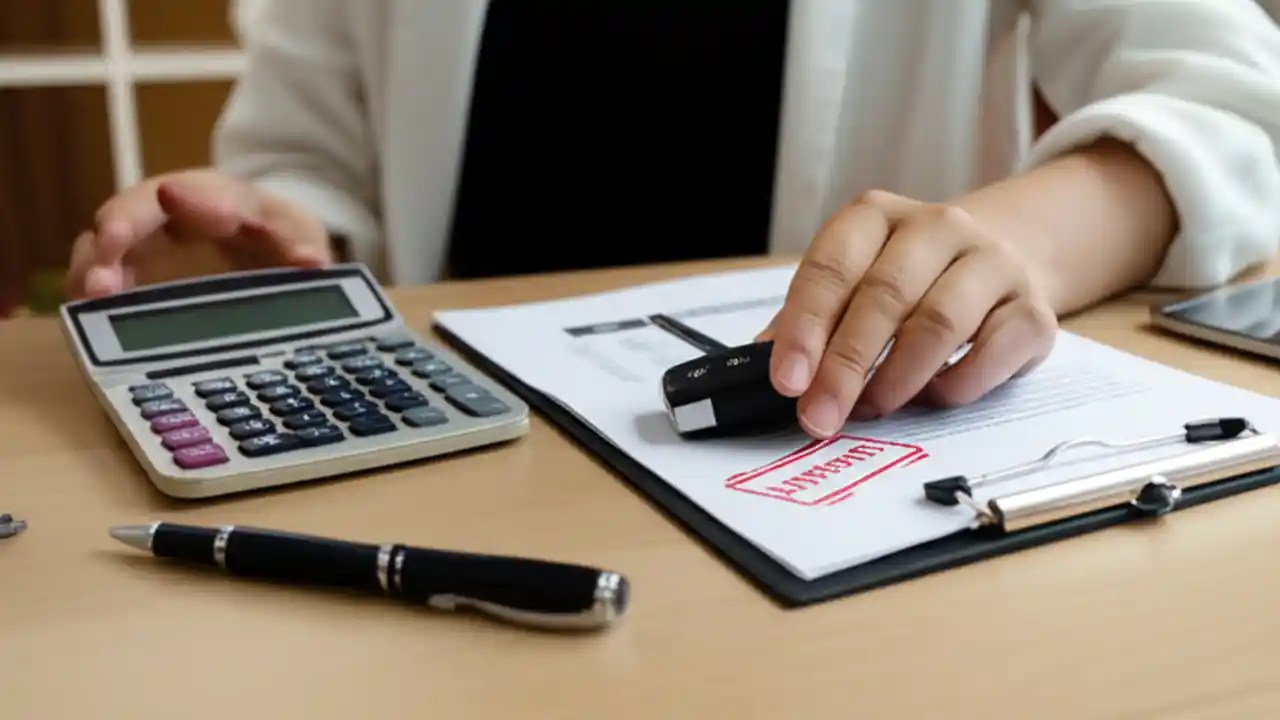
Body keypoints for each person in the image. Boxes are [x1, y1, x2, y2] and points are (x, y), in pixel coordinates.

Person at [65, 1, 1280, 439]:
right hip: (465, 450)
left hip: (823, 491)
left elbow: (1237, 109)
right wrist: (274, 235)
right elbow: (308, 165)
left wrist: (1019, 240)